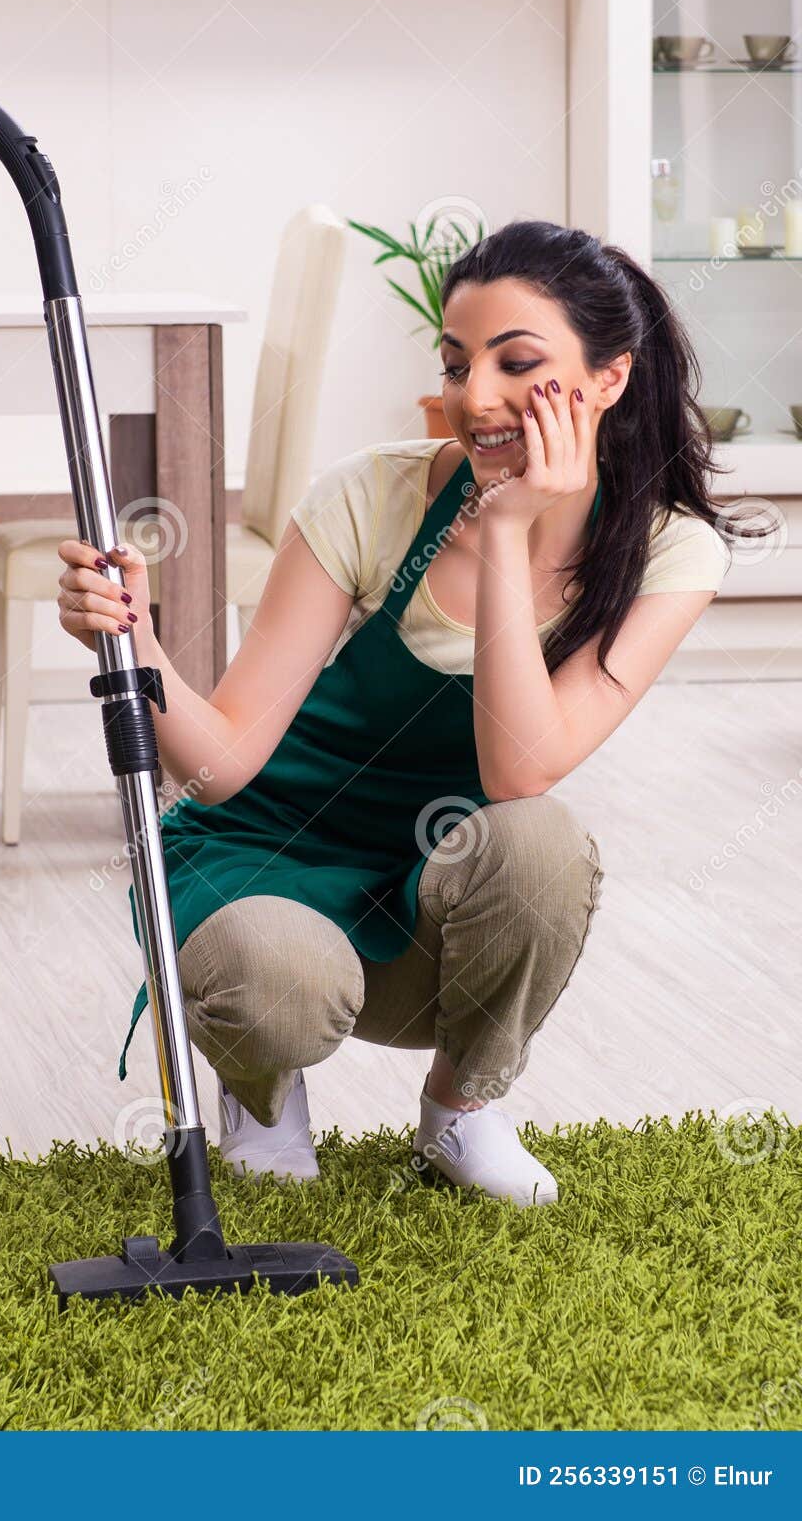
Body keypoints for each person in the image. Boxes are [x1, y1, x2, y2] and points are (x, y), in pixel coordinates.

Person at [55, 220, 740, 1207]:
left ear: (608, 378)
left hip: (429, 897)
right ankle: (259, 1089)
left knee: (540, 839)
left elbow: (519, 772)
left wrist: (502, 532)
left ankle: (460, 1111)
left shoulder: (666, 554)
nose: (477, 398)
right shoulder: (369, 497)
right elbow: (224, 765)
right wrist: (140, 647)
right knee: (274, 975)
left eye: (518, 363)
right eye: (458, 365)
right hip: (263, 864)